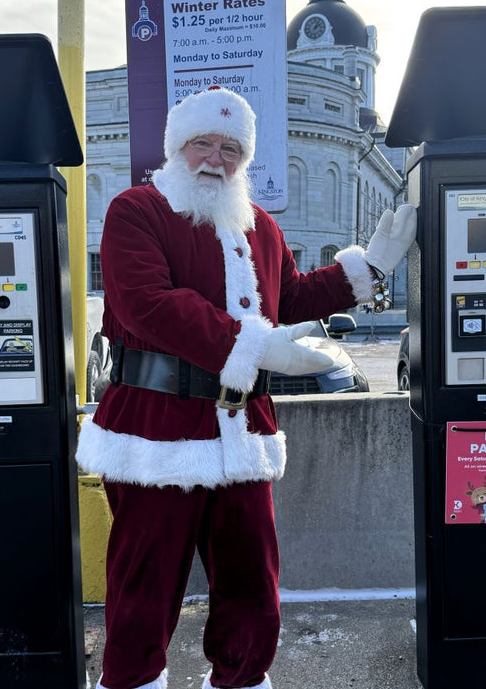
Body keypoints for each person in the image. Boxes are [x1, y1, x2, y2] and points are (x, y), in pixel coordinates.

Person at [76, 86, 417, 689]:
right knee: (143, 586)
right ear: (176, 148)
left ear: (245, 158)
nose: (216, 157)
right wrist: (261, 348)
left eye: (231, 148)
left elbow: (292, 296)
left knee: (253, 585)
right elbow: (149, 305)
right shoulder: (136, 210)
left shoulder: (259, 225)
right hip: (155, 428)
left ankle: (239, 679)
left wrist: (369, 268)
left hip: (241, 430)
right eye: (203, 143)